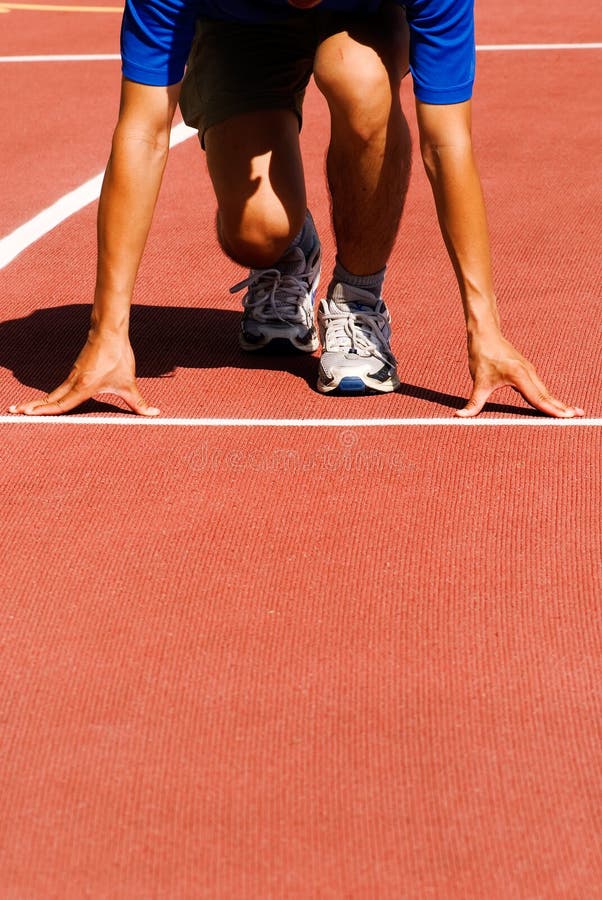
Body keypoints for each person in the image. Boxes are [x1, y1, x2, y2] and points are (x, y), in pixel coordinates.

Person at [9, 0, 584, 418]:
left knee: (359, 80)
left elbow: (447, 143)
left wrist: (486, 330)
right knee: (258, 234)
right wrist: (107, 334)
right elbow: (142, 133)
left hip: (363, 23)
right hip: (239, 29)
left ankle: (358, 299)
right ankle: (290, 256)